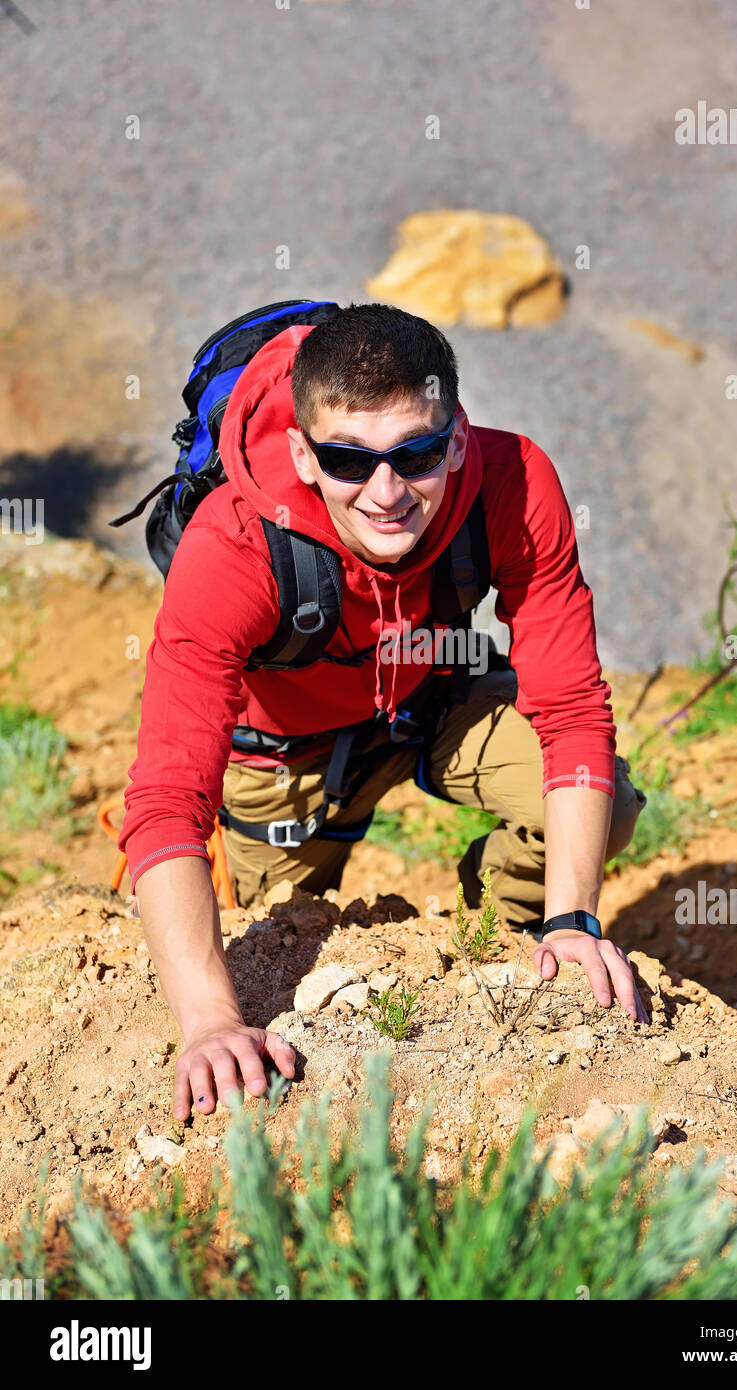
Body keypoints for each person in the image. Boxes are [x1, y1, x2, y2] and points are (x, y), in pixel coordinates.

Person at [118, 302, 650, 1123]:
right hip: (280, 759)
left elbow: (572, 707)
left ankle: (506, 941)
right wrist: (211, 1021)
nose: (387, 491)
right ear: (302, 452)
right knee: (277, 929)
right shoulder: (231, 546)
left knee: (600, 800)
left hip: (431, 700)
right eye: (347, 460)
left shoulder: (513, 481)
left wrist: (572, 919)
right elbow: (166, 797)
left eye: (418, 452)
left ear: (459, 436)